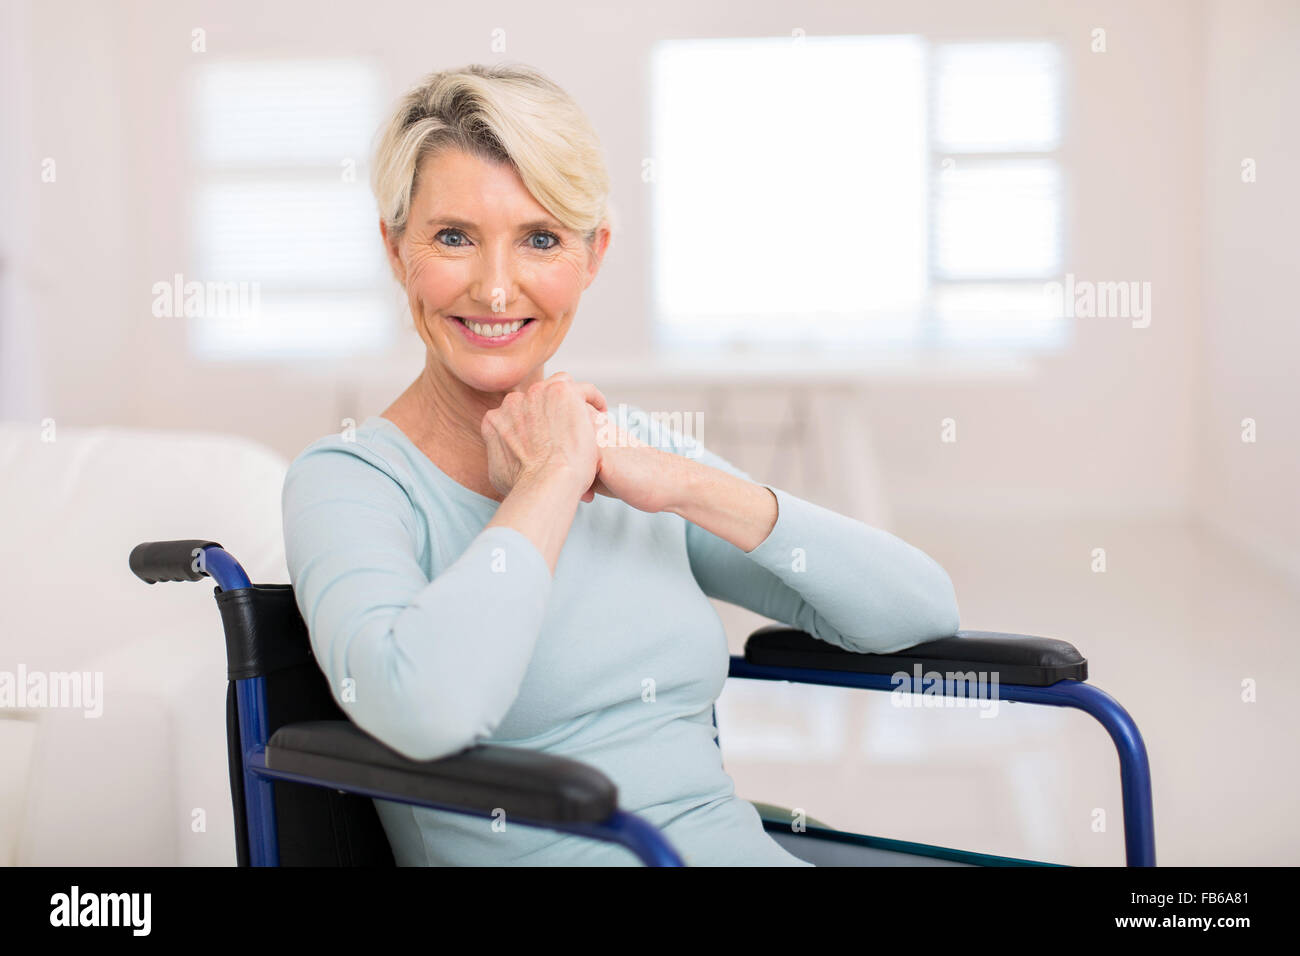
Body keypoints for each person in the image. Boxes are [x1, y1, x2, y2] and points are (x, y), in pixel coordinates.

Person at [282, 63, 961, 865]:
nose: (497, 289)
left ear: (593, 255)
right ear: (396, 251)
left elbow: (917, 611)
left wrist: (682, 483)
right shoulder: (350, 482)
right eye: (454, 237)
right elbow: (427, 708)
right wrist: (546, 485)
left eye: (540, 240)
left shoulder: (629, 449)